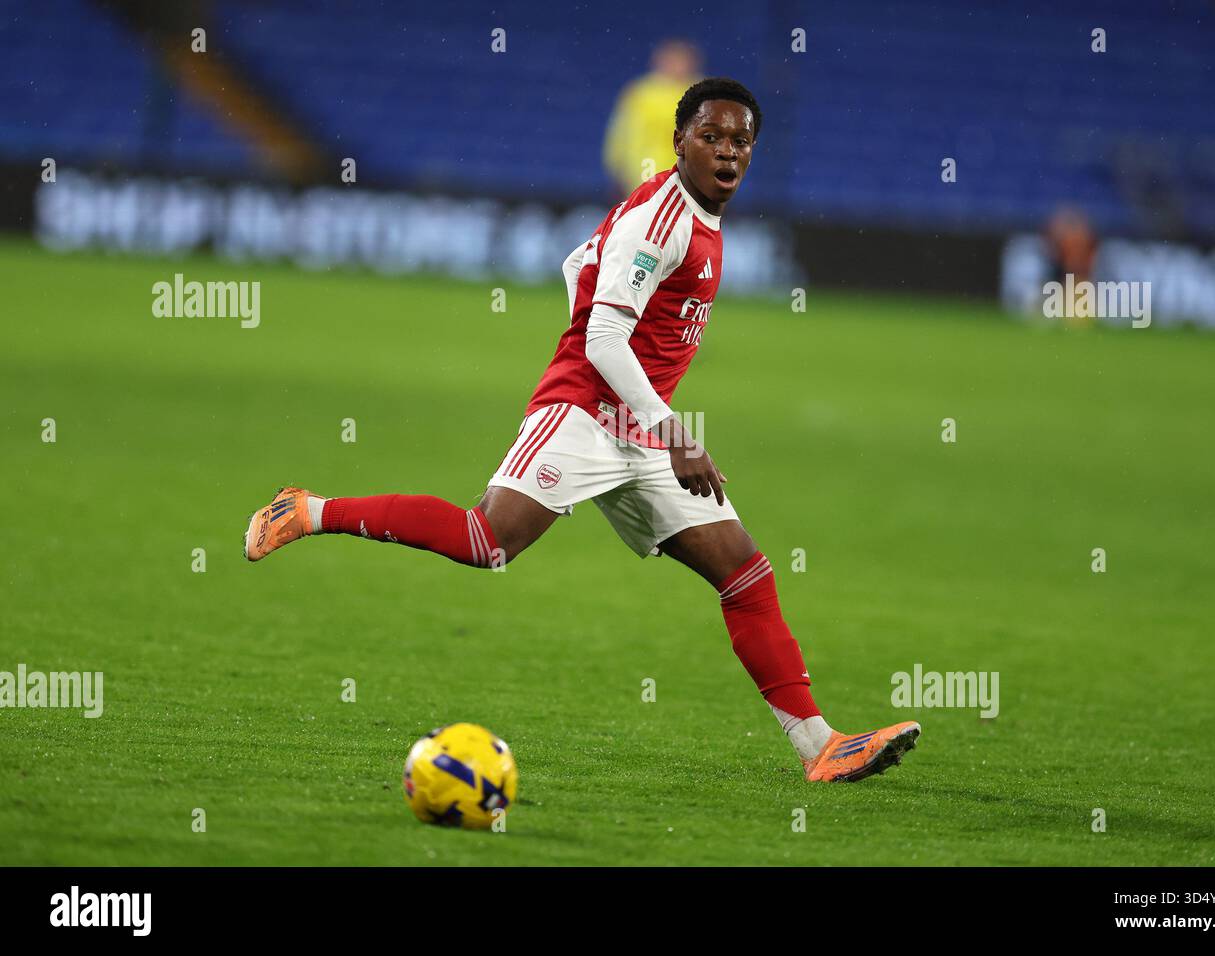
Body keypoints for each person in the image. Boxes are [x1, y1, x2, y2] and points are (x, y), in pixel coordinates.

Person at [244, 78, 920, 783]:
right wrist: (674, 432)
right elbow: (601, 336)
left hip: (642, 428)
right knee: (487, 542)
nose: (726, 152)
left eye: (740, 140)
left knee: (744, 573)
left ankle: (820, 747)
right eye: (711, 137)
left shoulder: (687, 212)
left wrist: (654, 420)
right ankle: (311, 510)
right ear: (679, 141)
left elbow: (579, 264)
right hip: (585, 412)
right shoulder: (663, 223)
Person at [602, 40, 701, 195]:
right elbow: (622, 132)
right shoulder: (642, 94)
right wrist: (617, 165)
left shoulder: (703, 93)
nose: (676, 67)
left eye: (681, 61)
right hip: (646, 167)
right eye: (672, 61)